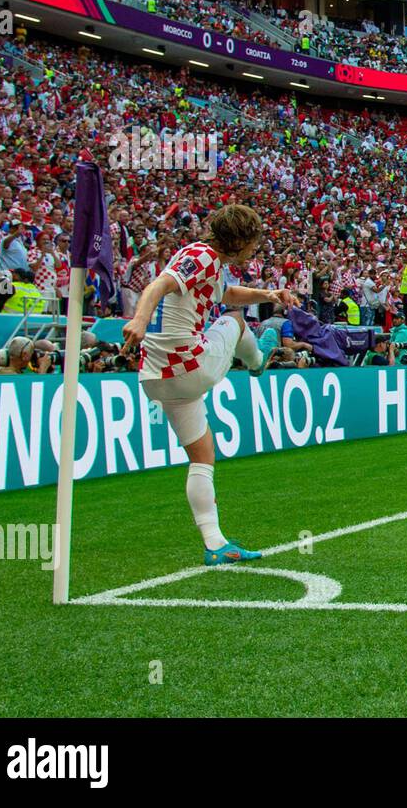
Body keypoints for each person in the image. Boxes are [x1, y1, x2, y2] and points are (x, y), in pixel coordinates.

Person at [122, 205, 299, 567]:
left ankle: (216, 544)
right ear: (239, 240)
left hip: (157, 377)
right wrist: (138, 319)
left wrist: (268, 295)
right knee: (235, 323)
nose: (255, 250)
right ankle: (257, 361)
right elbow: (160, 284)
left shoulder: (210, 264)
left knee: (202, 456)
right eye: (253, 243)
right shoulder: (200, 255)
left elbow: (228, 294)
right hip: (186, 362)